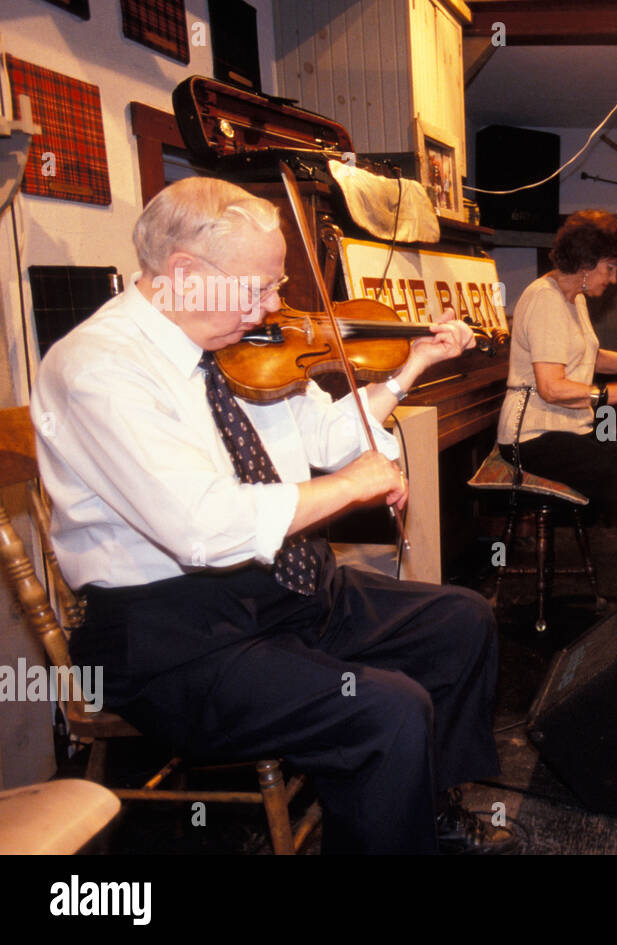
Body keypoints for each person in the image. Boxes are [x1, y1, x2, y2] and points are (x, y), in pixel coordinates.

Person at [33, 177, 504, 854]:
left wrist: (408, 370)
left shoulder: (239, 346)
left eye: (277, 285)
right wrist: (347, 488)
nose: (275, 305)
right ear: (188, 275)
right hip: (171, 632)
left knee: (461, 621)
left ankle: (422, 813)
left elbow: (323, 436)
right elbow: (202, 528)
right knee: (387, 709)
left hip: (282, 585)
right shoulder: (99, 369)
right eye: (260, 287)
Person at [497, 210, 617, 514]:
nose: (614, 279)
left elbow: (591, 356)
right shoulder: (544, 300)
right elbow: (551, 389)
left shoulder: (575, 297)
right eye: (610, 268)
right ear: (585, 262)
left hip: (568, 424)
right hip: (531, 438)